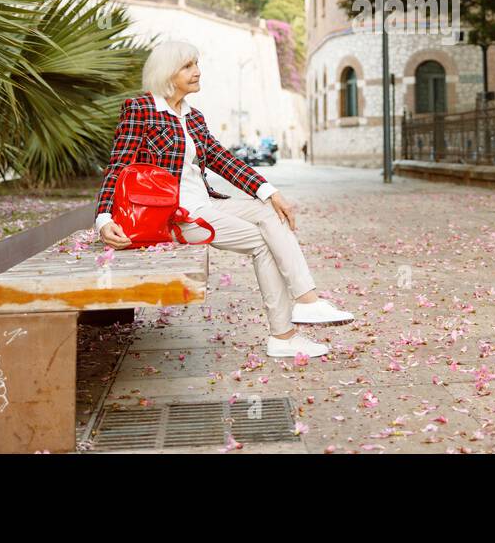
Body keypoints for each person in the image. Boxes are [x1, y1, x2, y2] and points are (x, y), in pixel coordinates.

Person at [94, 40, 354, 358]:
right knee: (262, 242)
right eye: (188, 66)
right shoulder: (142, 110)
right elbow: (118, 166)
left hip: (206, 204)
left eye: (197, 64)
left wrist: (271, 192)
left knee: (270, 214)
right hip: (175, 215)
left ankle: (307, 301)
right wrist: (104, 219)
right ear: (167, 72)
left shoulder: (194, 117)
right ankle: (283, 336)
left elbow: (222, 160)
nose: (197, 72)